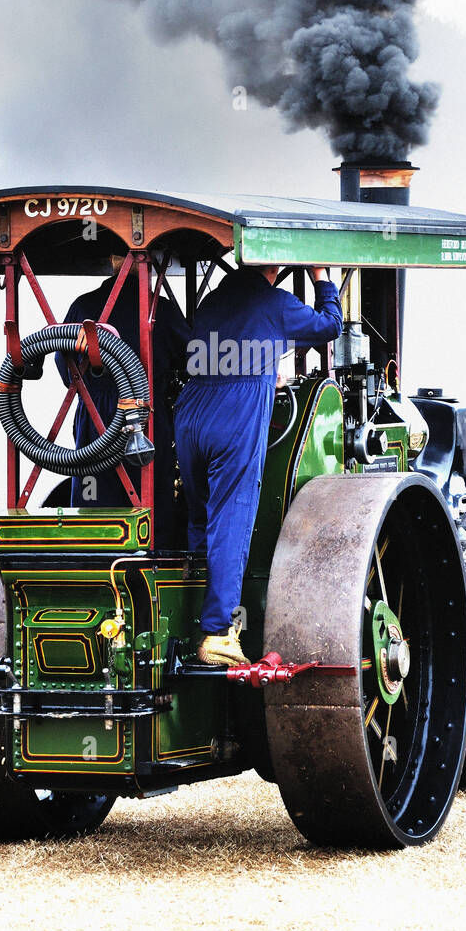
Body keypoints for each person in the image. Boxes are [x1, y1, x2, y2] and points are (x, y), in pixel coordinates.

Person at [174, 264, 342, 666]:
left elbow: (221, 350)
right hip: (235, 416)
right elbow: (330, 326)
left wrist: (267, 371)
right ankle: (217, 634)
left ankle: (188, 619)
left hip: (191, 416)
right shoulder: (276, 303)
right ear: (273, 266)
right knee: (231, 519)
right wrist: (321, 278)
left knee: (199, 517)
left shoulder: (212, 301)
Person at [55, 257, 190, 547]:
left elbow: (64, 369)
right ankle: (154, 559)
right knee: (151, 496)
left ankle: (93, 559)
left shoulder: (82, 306)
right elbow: (192, 360)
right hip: (145, 417)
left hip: (94, 419)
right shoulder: (161, 310)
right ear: (150, 263)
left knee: (93, 495)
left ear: (112, 260)